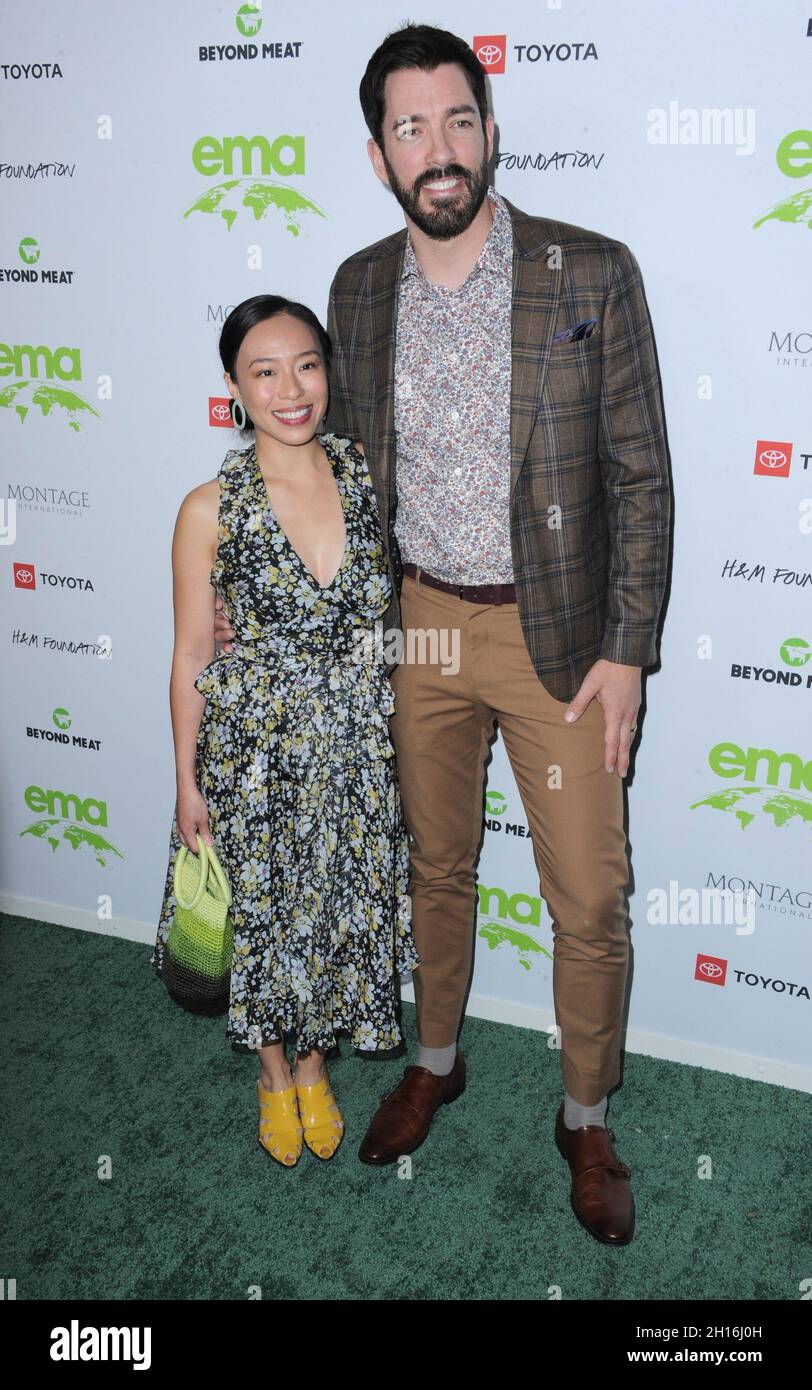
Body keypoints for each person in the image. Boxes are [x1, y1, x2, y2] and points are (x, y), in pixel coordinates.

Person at [215, 25, 671, 1245]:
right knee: (433, 866)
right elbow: (327, 465)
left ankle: (583, 1116)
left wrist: (626, 646)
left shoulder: (590, 271)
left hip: (556, 641)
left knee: (586, 894)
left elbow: (640, 475)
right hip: (412, 625)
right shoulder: (359, 287)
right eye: (409, 127)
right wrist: (241, 580)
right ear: (377, 155)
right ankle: (433, 1057)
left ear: (488, 127)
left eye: (456, 119)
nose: (438, 147)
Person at [152, 294, 420, 1169]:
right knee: (267, 916)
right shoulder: (209, 508)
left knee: (332, 908)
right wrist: (188, 780)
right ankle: (274, 1074)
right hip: (253, 751)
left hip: (351, 744)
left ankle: (315, 1064)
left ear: (328, 371)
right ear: (234, 385)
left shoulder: (366, 475)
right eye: (264, 371)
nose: (290, 388)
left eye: (306, 364)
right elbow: (194, 649)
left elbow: (395, 615)